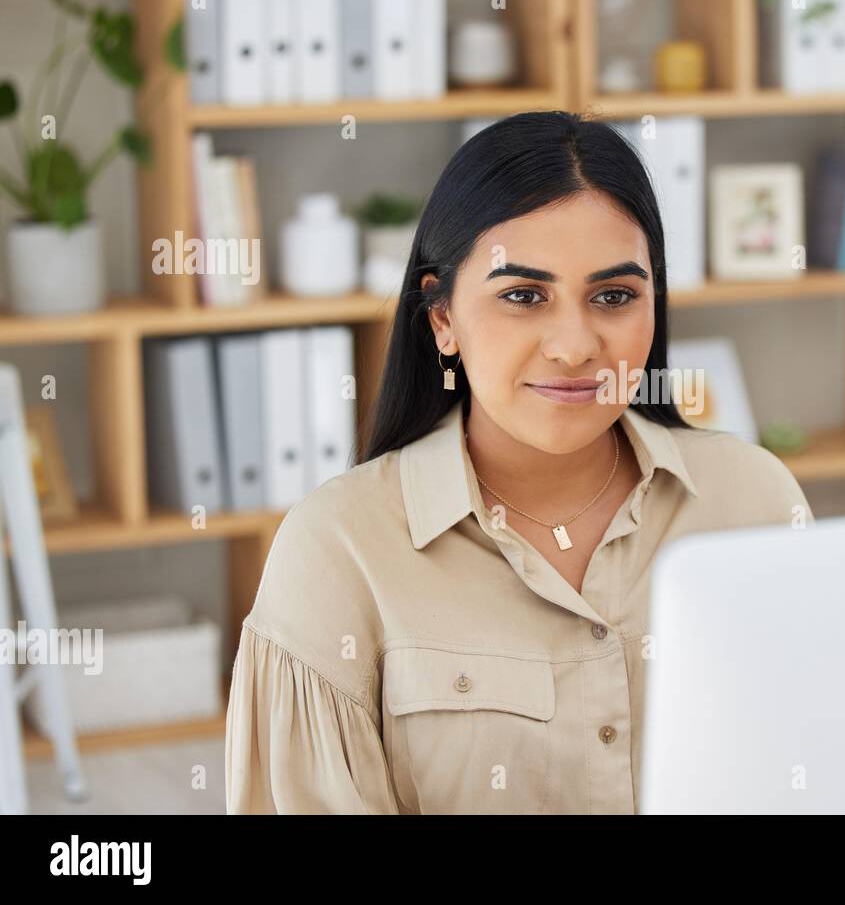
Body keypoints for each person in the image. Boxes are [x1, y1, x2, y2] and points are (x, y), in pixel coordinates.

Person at [224, 111, 814, 814]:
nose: (573, 345)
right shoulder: (337, 548)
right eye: (523, 296)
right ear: (441, 317)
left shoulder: (756, 501)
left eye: (614, 295)